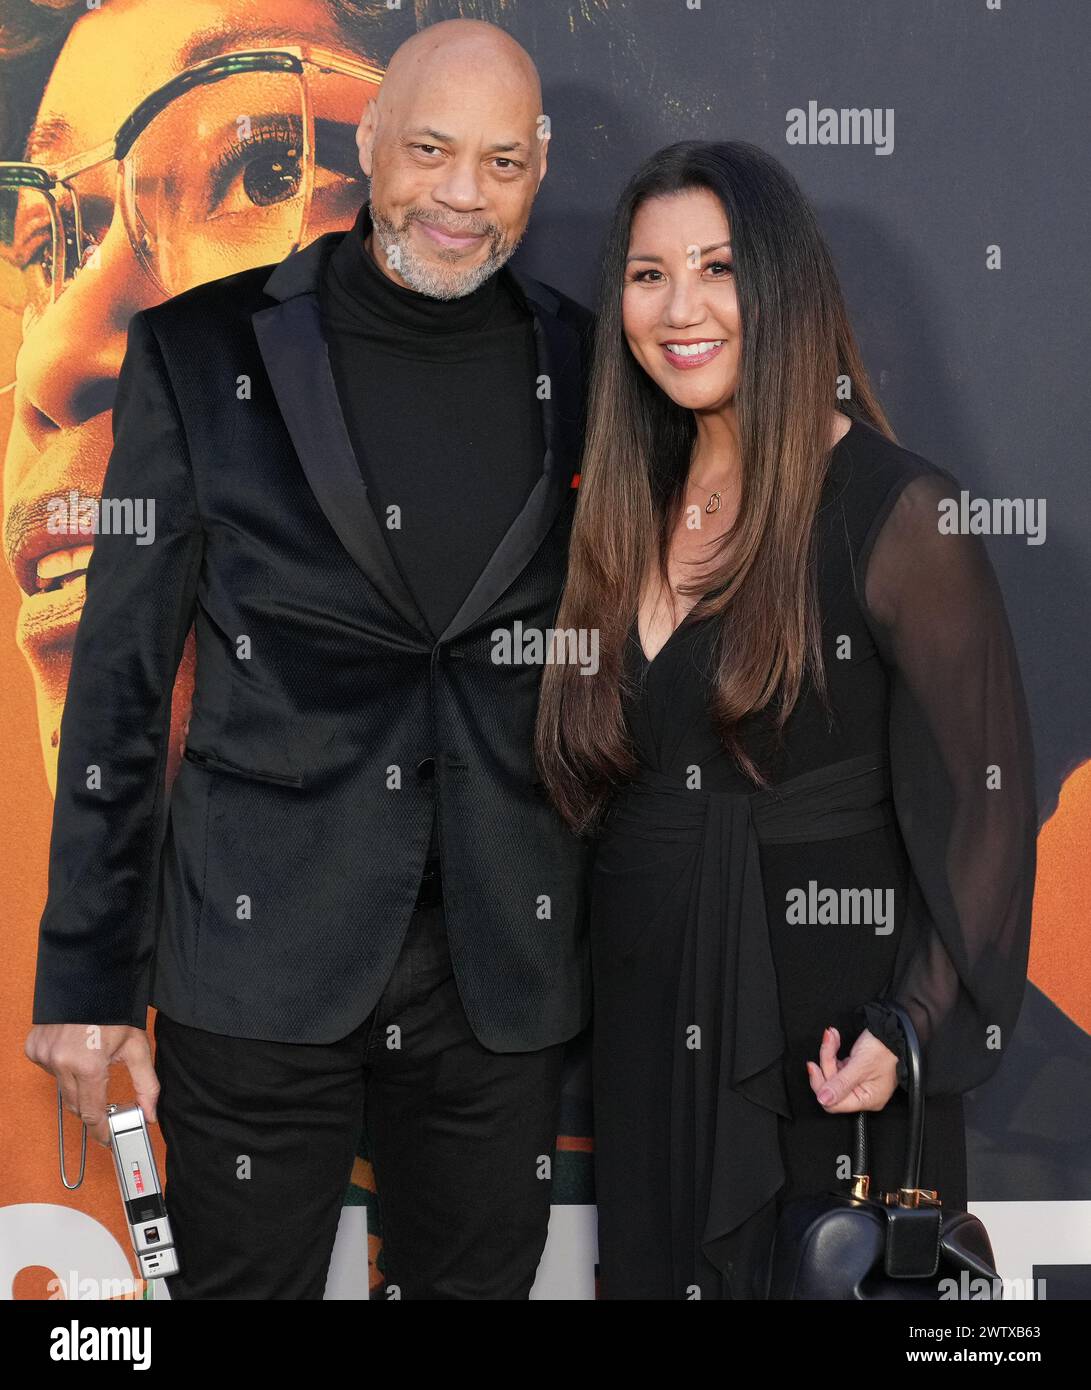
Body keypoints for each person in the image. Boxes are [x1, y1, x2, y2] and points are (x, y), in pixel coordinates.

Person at [26, 18, 595, 1300]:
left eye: (501, 163)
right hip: (256, 961)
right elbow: (121, 681)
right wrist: (86, 978)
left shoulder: (587, 360)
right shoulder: (205, 352)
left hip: (498, 973)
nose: (461, 196)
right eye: (433, 151)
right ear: (372, 141)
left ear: (540, 168)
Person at [535, 140, 1037, 1300]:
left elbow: (986, 800)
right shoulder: (623, 510)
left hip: (825, 1037)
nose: (681, 308)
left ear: (784, 284)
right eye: (647, 274)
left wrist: (910, 1021)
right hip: (648, 1005)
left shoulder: (899, 511)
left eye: (716, 268)